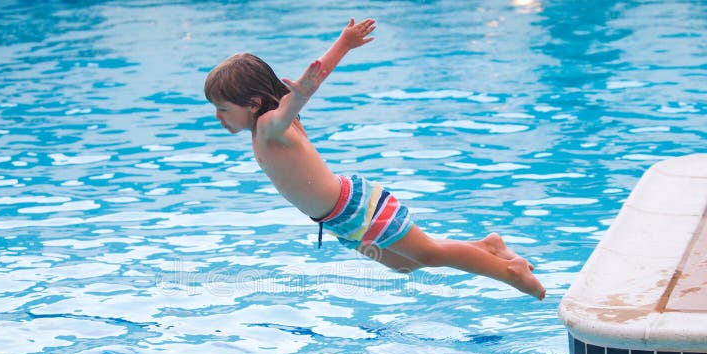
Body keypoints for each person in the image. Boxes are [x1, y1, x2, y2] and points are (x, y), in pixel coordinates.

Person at [204, 18, 546, 300]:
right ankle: (487, 246)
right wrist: (342, 46)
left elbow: (293, 101)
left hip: (356, 207)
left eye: (222, 109)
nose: (218, 117)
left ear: (252, 103)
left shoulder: (269, 125)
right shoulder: (265, 127)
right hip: (338, 221)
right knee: (405, 264)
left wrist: (335, 53)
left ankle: (509, 272)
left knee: (427, 253)